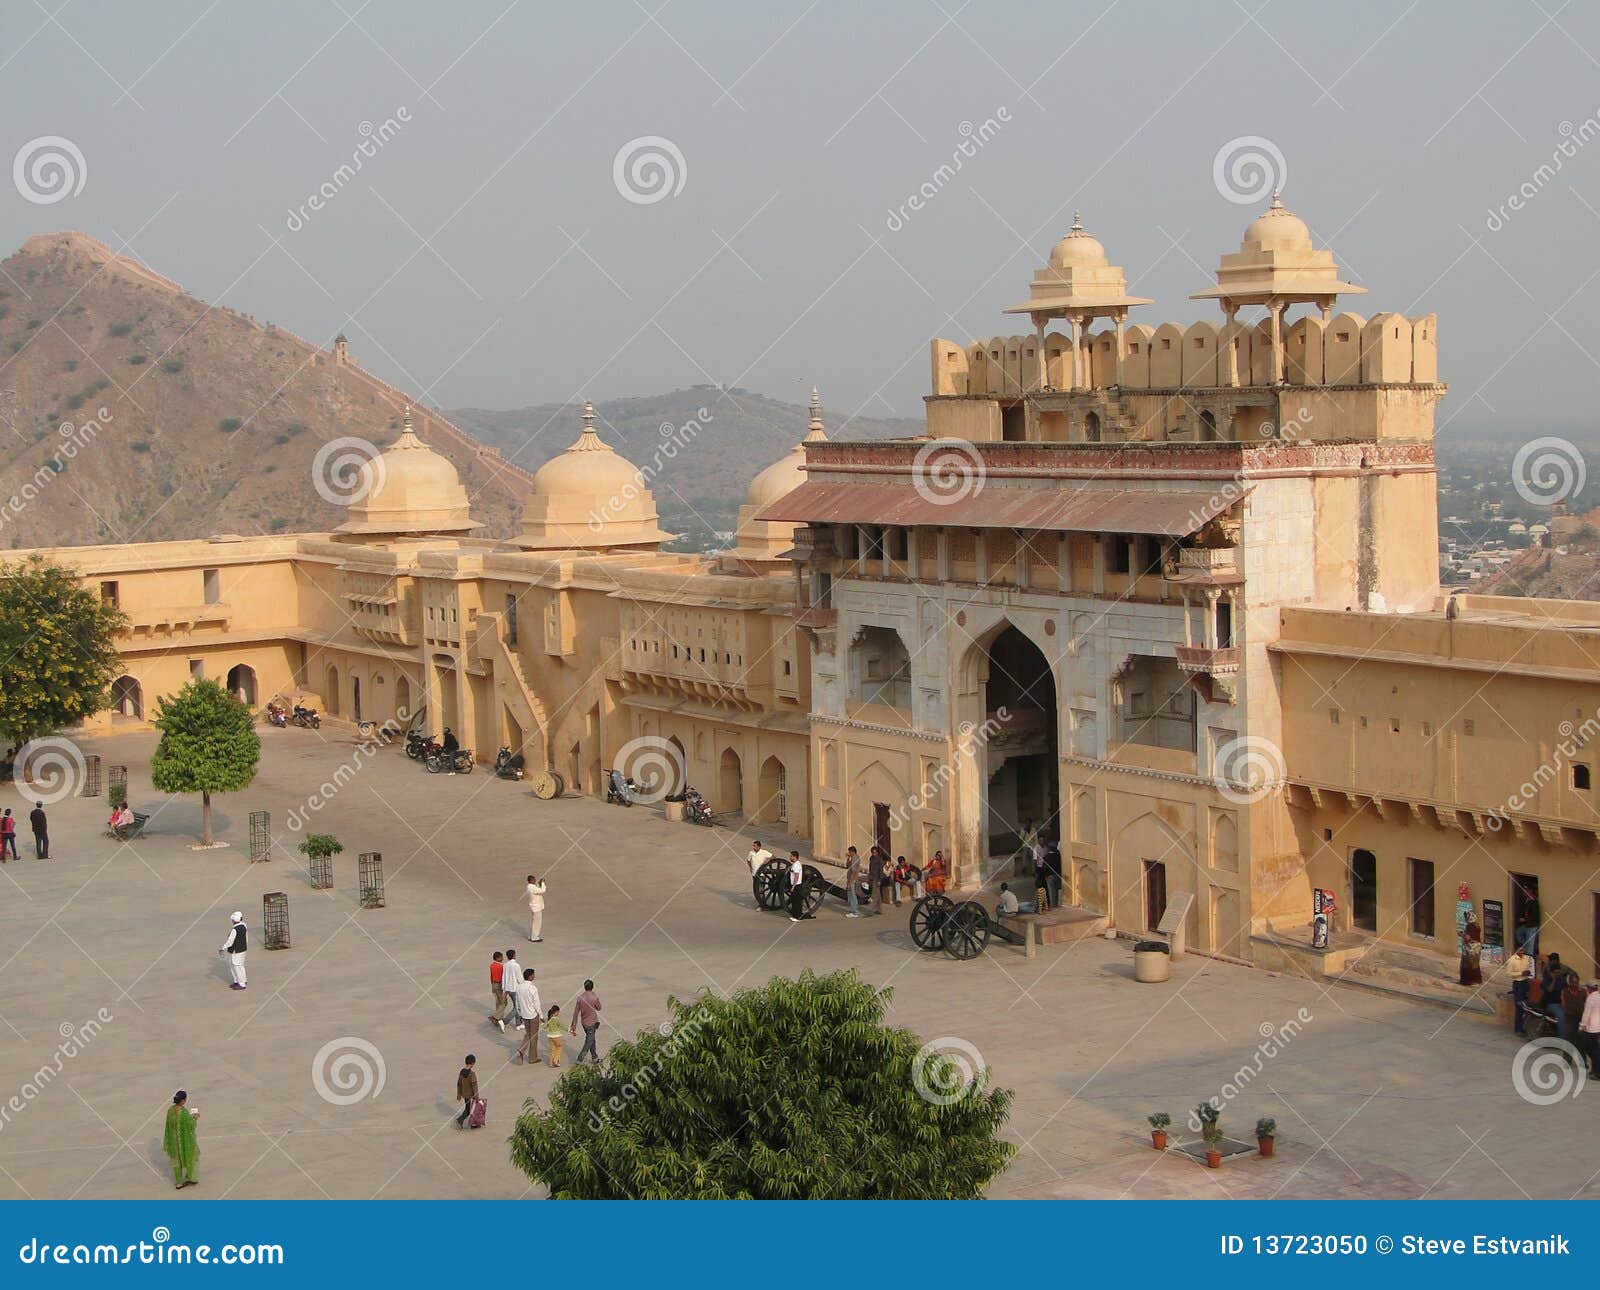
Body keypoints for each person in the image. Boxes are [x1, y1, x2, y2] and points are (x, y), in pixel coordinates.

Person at [163, 1091, 200, 1189]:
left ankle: (179, 1182)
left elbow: (168, 1126)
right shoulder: (183, 1112)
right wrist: (195, 1118)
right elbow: (191, 1125)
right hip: (184, 1142)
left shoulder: (170, 1110)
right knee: (190, 1156)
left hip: (174, 1143)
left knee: (176, 1162)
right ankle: (190, 1177)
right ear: (183, 1100)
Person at [513, 967, 542, 1064]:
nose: (534, 976)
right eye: (533, 974)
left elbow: (517, 1003)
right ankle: (532, 1057)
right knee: (534, 1036)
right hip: (533, 1015)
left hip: (524, 1015)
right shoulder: (533, 988)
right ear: (530, 976)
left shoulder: (519, 987)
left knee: (528, 1034)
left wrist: (520, 1013)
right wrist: (541, 1016)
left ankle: (521, 1050)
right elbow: (536, 1004)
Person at [571, 979, 602, 1064]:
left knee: (592, 1039)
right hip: (592, 1023)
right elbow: (599, 1008)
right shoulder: (594, 997)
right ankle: (579, 1060)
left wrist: (574, 1025)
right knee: (589, 1042)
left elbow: (576, 1013)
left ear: (584, 987)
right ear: (592, 987)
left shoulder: (580, 998)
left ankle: (595, 1058)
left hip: (584, 1023)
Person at [1505, 943, 1534, 1035]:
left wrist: (1528, 973)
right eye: (1520, 950)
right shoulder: (1512, 960)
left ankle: (1525, 1027)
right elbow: (1508, 973)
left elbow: (1530, 968)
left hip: (1526, 983)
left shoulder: (1527, 958)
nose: (1522, 952)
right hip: (1518, 984)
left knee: (1526, 1006)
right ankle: (1518, 1029)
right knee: (1519, 1007)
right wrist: (1521, 973)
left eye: (1523, 950)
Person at [219, 912, 247, 990]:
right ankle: (240, 980)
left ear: (233, 920)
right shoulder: (244, 925)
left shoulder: (234, 930)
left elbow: (230, 941)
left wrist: (223, 947)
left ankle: (241, 983)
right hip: (243, 949)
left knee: (236, 966)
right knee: (238, 965)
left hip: (236, 950)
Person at [1560, 971, 1587, 1047]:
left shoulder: (1583, 991)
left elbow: (1587, 1004)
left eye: (1576, 982)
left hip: (1581, 1018)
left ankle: (1581, 1058)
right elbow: (1563, 1005)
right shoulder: (1565, 991)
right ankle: (1566, 1058)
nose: (1575, 984)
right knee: (1569, 1040)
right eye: (1573, 982)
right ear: (1569, 982)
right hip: (1570, 1018)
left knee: (1581, 1041)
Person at [1580, 984, 1600, 1079]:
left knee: (1593, 1051)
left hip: (1594, 1029)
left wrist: (1582, 1026)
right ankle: (1594, 1071)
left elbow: (1587, 1013)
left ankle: (1597, 1073)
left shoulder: (1592, 997)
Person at [1459, 913, 1483, 987]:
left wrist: (1461, 934)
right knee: (1475, 964)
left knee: (1468, 964)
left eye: (1466, 917)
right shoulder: (1477, 926)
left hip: (1470, 949)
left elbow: (1468, 938)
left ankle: (1469, 981)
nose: (1465, 918)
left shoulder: (1470, 926)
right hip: (1476, 948)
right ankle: (1477, 980)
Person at [455, 1054, 479, 1128]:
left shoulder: (461, 1072)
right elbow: (474, 1085)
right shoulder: (472, 1074)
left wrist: (459, 1094)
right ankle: (461, 1120)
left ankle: (466, 1122)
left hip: (465, 1094)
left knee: (468, 1108)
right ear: (472, 1063)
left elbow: (459, 1084)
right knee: (471, 1109)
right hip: (471, 1094)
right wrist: (476, 1096)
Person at [787, 850, 810, 922]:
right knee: (794, 901)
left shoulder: (796, 865)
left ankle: (797, 917)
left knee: (797, 901)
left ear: (794, 857)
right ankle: (795, 915)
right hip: (795, 885)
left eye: (791, 856)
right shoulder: (795, 864)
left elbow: (796, 876)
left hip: (797, 885)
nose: (790, 857)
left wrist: (793, 886)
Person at [487, 951, 507, 1033]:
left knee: (498, 1002)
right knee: (504, 1002)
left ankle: (499, 1018)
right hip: (499, 985)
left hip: (494, 984)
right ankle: (496, 1017)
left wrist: (492, 984)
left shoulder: (492, 965)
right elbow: (502, 978)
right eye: (501, 957)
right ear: (498, 958)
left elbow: (491, 976)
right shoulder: (501, 967)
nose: (503, 958)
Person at [525, 874, 547, 943]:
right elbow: (542, 890)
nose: (535, 880)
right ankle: (534, 937)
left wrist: (540, 883)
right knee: (537, 923)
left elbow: (538, 889)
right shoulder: (531, 887)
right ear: (531, 880)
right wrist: (543, 883)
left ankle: (532, 936)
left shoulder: (531, 886)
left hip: (535, 906)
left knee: (535, 922)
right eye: (534, 879)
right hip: (536, 907)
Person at [1043, 837, 1063, 910]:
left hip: (1050, 877)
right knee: (1060, 891)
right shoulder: (1059, 856)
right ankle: (1060, 905)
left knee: (1052, 893)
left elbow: (1044, 868)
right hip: (1058, 875)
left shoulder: (1046, 857)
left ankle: (1054, 906)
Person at [867, 845, 886, 915]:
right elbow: (870, 869)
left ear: (877, 853)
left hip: (877, 878)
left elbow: (880, 870)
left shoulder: (879, 860)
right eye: (872, 852)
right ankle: (880, 909)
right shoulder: (871, 858)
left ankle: (871, 910)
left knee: (874, 895)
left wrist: (880, 880)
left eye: (875, 852)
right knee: (878, 895)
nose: (873, 854)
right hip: (872, 877)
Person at [843, 847, 861, 917]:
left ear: (853, 852)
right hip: (850, 878)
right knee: (850, 895)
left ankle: (855, 911)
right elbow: (847, 866)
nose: (849, 853)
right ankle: (852, 909)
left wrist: (849, 883)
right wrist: (848, 859)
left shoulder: (855, 858)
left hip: (852, 879)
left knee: (853, 895)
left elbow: (853, 871)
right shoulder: (852, 858)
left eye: (850, 852)